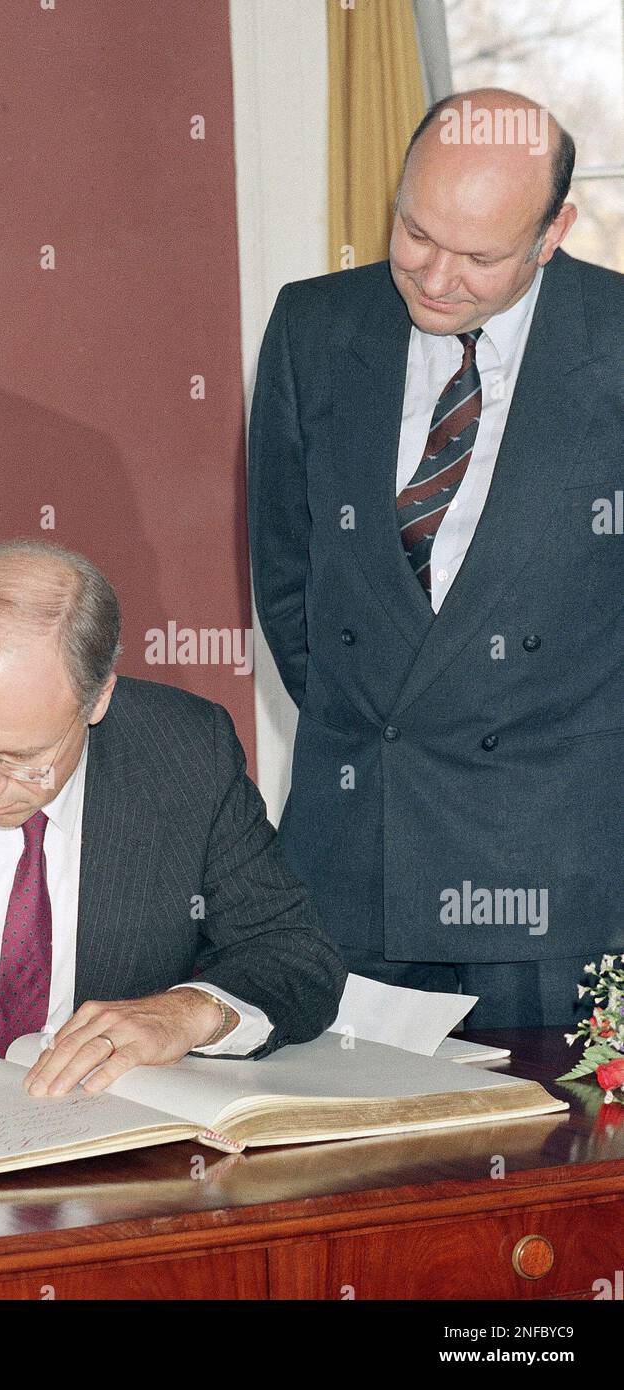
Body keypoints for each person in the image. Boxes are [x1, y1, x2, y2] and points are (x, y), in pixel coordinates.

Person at [248, 88, 624, 1028]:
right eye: (416, 233)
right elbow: (294, 595)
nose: (436, 277)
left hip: (555, 885)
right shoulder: (312, 327)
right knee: (354, 1171)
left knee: (552, 1173)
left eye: (481, 256)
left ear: (552, 233)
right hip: (351, 872)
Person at [0, 540, 345, 1119]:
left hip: (111, 1157)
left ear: (99, 698)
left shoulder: (186, 757)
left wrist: (190, 1012)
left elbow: (292, 951)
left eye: (23, 758)